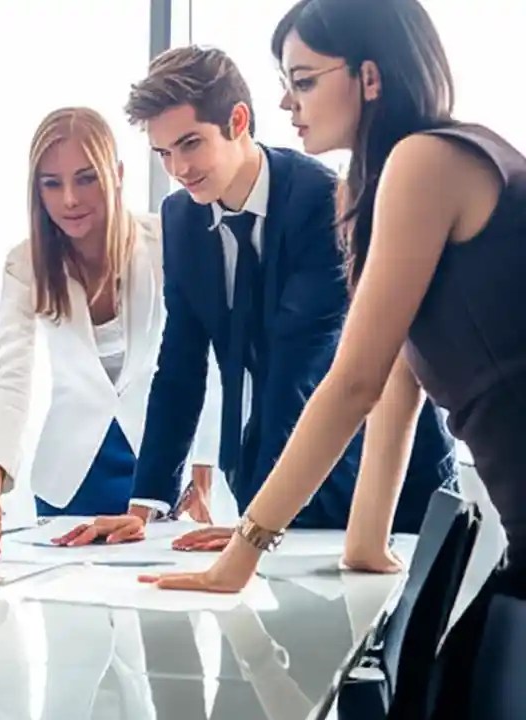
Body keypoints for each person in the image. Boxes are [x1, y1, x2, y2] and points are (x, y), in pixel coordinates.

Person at [142, 0, 524, 705]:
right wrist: (364, 540)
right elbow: (400, 379)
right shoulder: (383, 183)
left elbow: (352, 382)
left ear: (371, 77)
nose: (285, 101)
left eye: (305, 80)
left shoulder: (427, 159)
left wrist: (245, 550)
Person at [63, 45, 456, 548]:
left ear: (238, 120)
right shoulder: (181, 220)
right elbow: (180, 365)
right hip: (275, 474)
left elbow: (299, 363)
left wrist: (256, 524)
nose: (178, 169)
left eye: (190, 144)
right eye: (163, 154)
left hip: (383, 474)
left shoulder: (322, 200)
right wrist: (146, 507)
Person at [0, 107, 220, 557]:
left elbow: (208, 360)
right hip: (69, 478)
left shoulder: (166, 241)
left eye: (86, 178)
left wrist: (202, 473)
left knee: (160, 612)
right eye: (52, 184)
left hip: (159, 472)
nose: (69, 198)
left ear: (117, 174)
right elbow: (8, 374)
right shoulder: (25, 263)